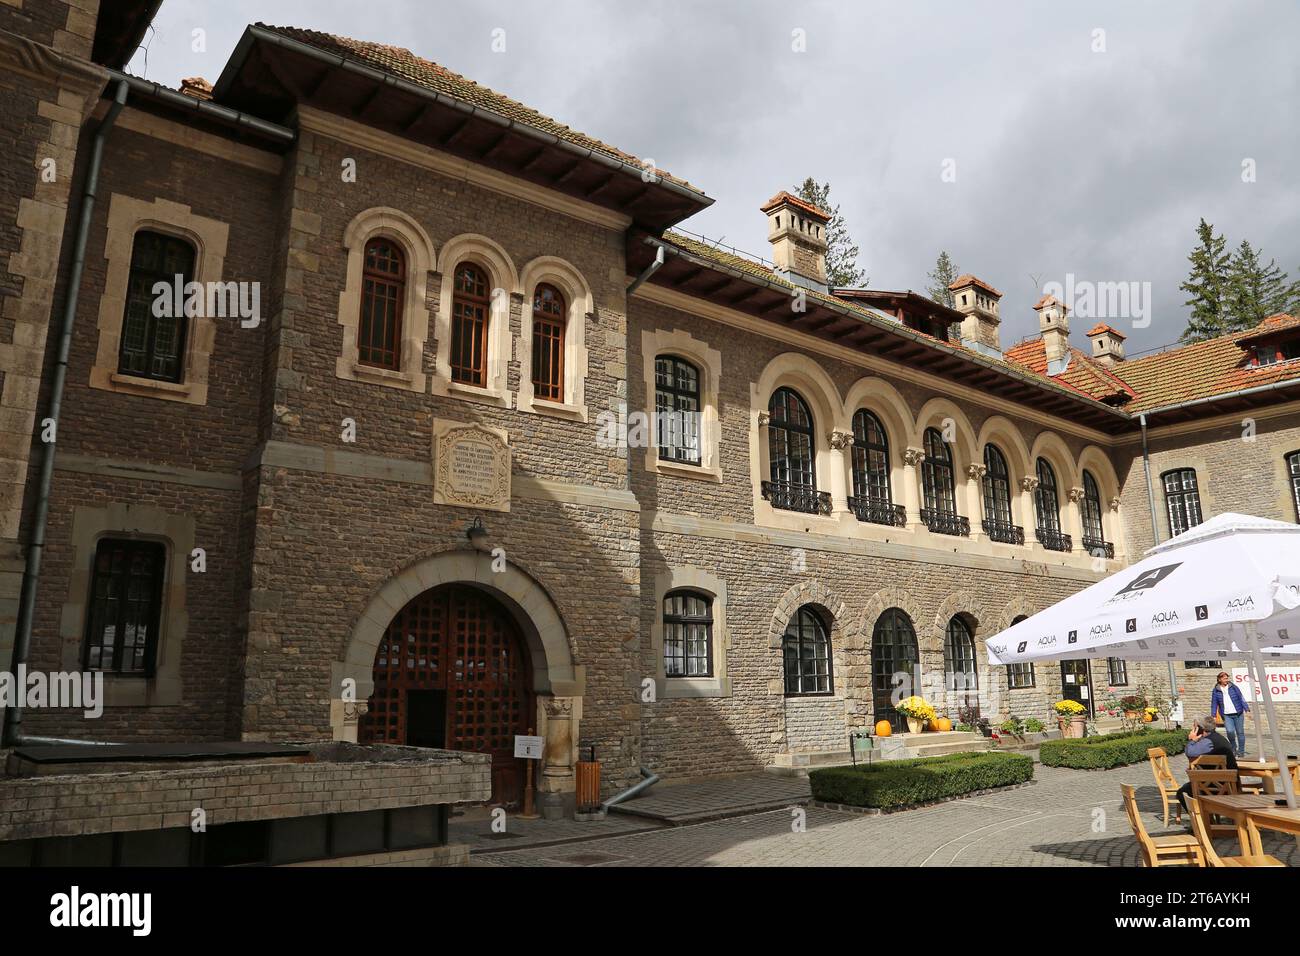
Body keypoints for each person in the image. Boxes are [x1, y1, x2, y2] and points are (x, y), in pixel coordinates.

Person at [1176, 715, 1237, 813]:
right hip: (1230, 783)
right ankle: (1208, 821)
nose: (1193, 730)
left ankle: (1201, 823)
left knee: (1182, 792)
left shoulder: (1208, 742)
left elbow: (1190, 752)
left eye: (1194, 727)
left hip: (1217, 787)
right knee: (1192, 786)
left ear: (1200, 729)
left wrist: (1192, 740)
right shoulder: (1219, 738)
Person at [1210, 671, 1250, 758]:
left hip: (1238, 713)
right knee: (1230, 731)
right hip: (1226, 715)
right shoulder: (1216, 690)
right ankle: (1233, 748)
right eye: (1224, 678)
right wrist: (1213, 715)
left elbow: (1241, 697)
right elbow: (1214, 703)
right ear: (1219, 679)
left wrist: (1246, 708)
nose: (1226, 680)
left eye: (1227, 678)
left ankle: (1241, 751)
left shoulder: (1233, 687)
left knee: (1240, 733)